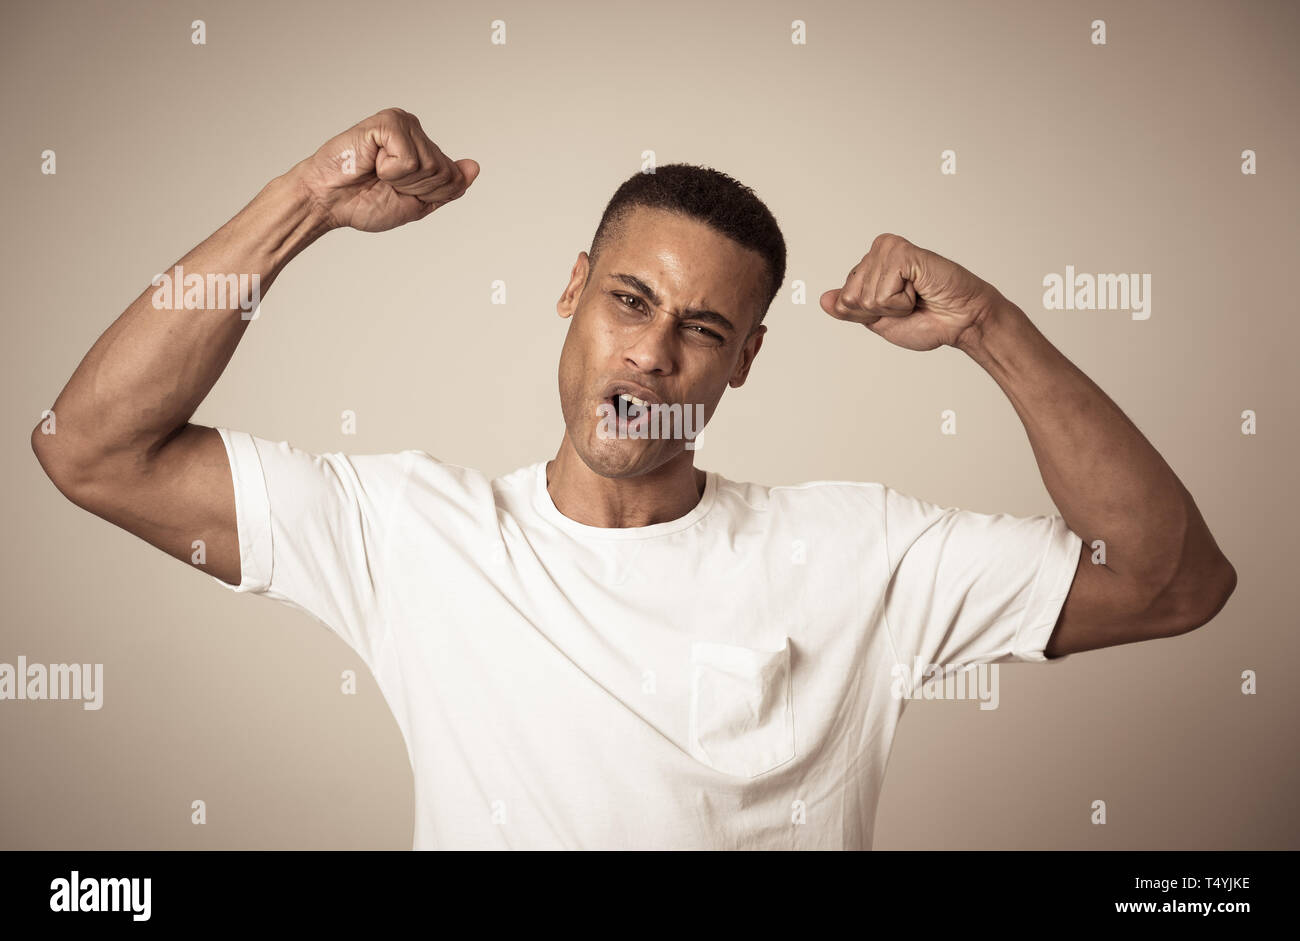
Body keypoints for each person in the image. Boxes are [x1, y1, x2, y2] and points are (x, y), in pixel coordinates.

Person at [31, 108, 1236, 849]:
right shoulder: (415, 534)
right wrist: (302, 201)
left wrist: (991, 326)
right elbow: (90, 447)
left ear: (746, 361)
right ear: (571, 291)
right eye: (628, 299)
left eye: (703, 329)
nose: (652, 352)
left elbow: (1173, 582)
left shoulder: (857, 554)